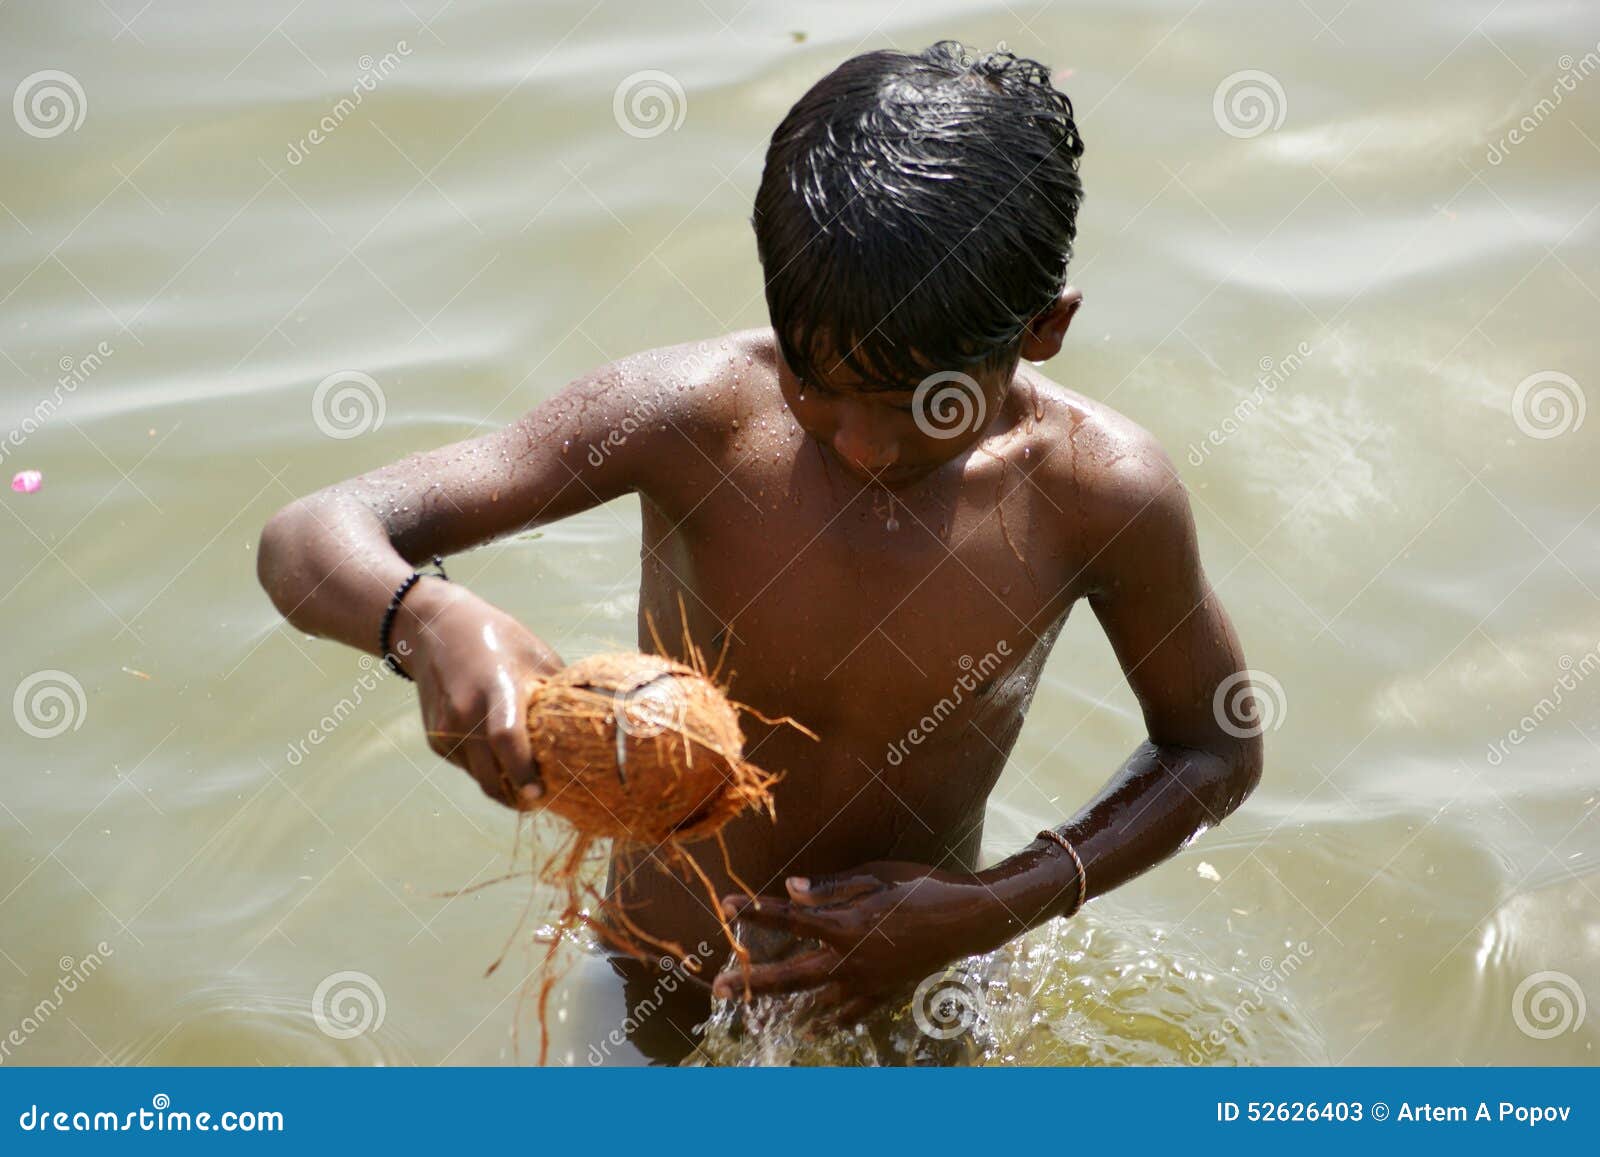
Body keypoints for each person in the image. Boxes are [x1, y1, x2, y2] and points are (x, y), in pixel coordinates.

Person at [257, 40, 1262, 1062]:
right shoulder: (696, 418)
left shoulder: (1096, 494)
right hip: (659, 978)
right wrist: (427, 619)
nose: (865, 445)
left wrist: (995, 903)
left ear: (1042, 329)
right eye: (816, 387)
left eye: (919, 404)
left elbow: (1215, 745)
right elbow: (307, 535)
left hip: (914, 992)